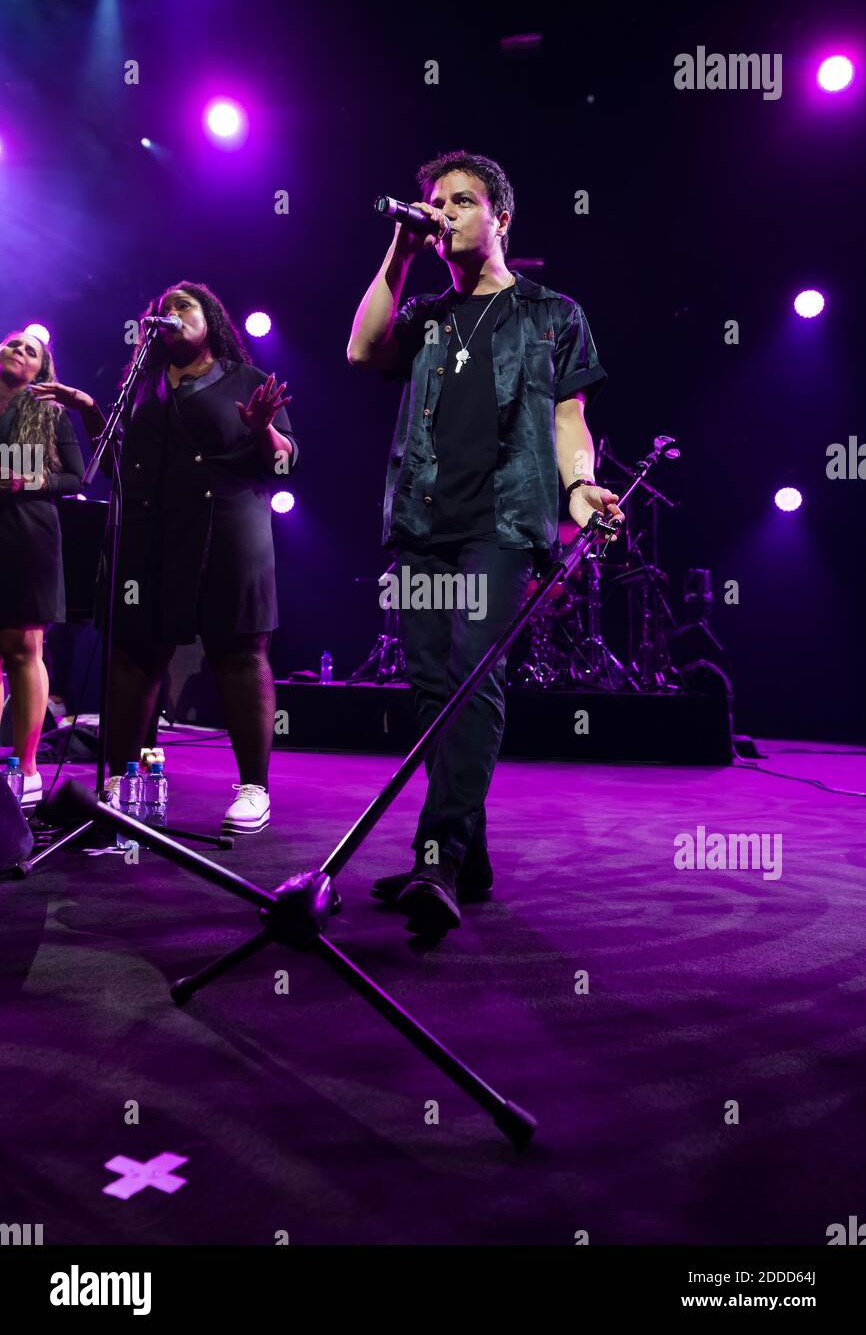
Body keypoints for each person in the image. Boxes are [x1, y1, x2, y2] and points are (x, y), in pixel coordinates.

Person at [348, 149, 624, 938]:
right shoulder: (427, 316)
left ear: (501, 218)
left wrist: (579, 488)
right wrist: (400, 250)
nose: (445, 213)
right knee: (432, 685)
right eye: (436, 202)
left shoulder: (551, 314)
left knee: (471, 678)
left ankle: (436, 855)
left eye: (462, 201)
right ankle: (468, 856)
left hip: (503, 524)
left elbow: (570, 419)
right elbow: (363, 351)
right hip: (421, 521)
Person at [33, 282, 299, 834]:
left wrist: (263, 430)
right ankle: (118, 783)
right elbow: (118, 471)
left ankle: (254, 789)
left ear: (212, 319)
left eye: (184, 306)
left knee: (239, 654)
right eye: (162, 310)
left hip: (229, 528)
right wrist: (88, 410)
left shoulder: (245, 379)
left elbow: (284, 465)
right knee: (133, 655)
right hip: (152, 537)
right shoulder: (142, 388)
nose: (170, 314)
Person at [0, 329, 85, 807]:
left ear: (41, 372)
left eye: (31, 351)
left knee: (23, 647)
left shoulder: (49, 415)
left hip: (29, 535)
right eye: (13, 344)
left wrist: (27, 478)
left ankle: (27, 768)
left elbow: (77, 475)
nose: (20, 351)